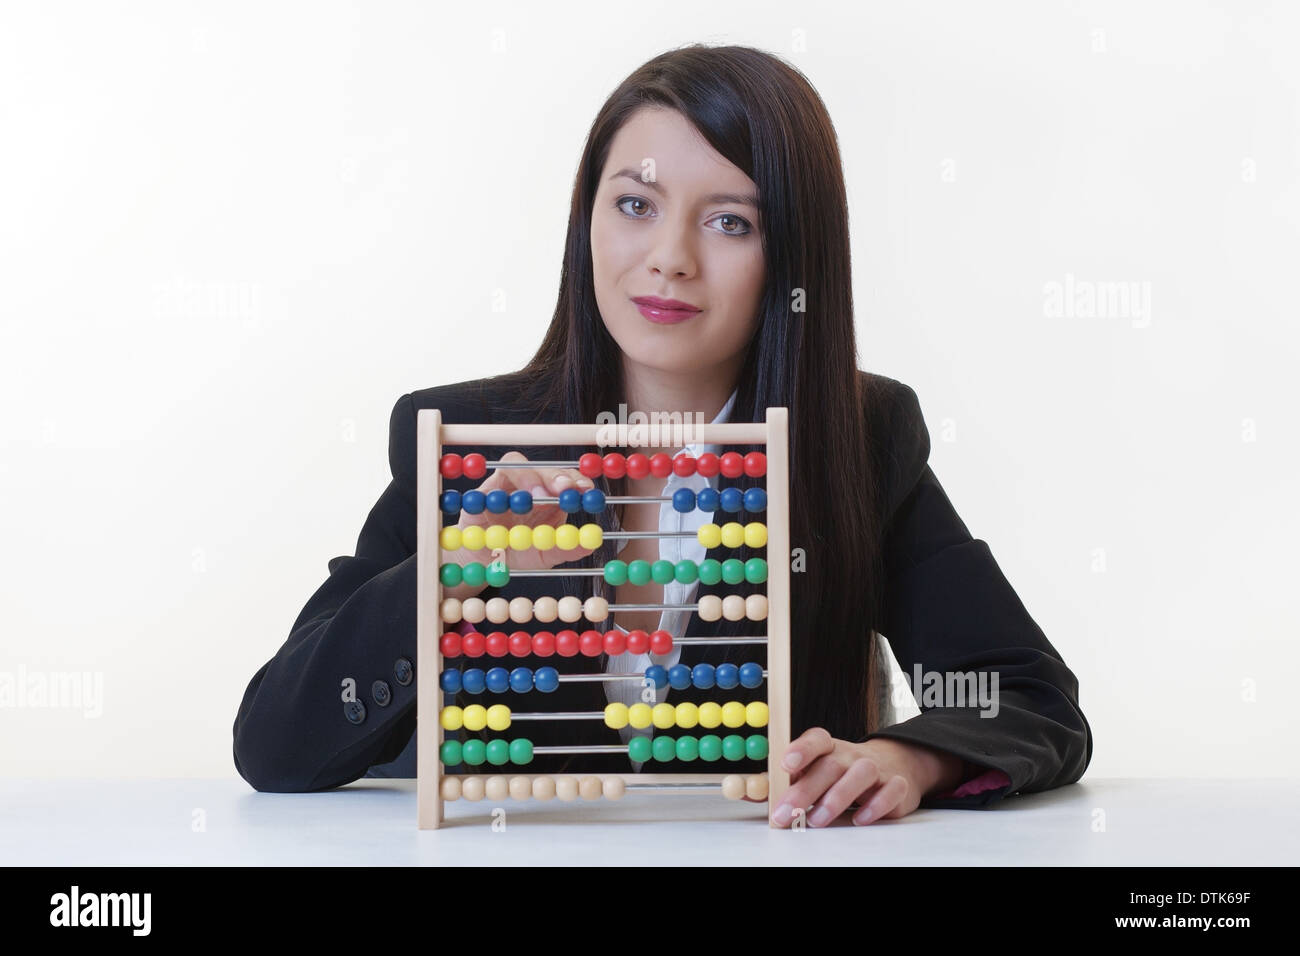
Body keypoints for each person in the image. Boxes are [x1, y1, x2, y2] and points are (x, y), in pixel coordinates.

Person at [233, 44, 1092, 828]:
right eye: (636, 205)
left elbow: (1029, 698)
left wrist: (911, 756)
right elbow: (273, 744)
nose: (670, 257)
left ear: (793, 256)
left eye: (730, 223)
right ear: (587, 224)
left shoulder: (862, 442)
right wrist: (460, 566)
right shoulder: (461, 444)